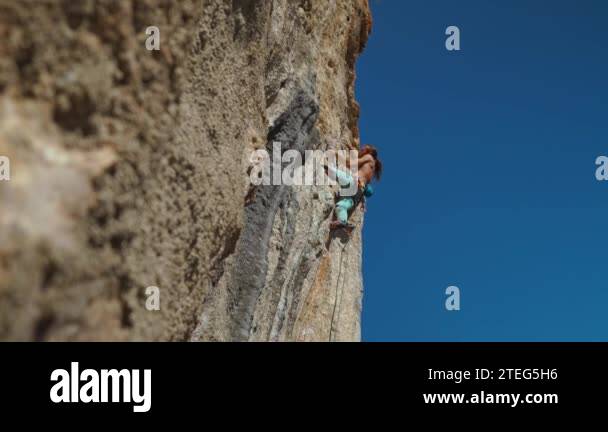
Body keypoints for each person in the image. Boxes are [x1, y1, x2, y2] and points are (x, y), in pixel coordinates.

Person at [325, 145, 382, 230]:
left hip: (353, 182)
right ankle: (342, 220)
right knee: (341, 207)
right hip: (358, 193)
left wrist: (335, 154)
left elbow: (350, 164)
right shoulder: (371, 170)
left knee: (329, 170)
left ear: (368, 151)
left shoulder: (369, 157)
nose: (361, 150)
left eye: (364, 148)